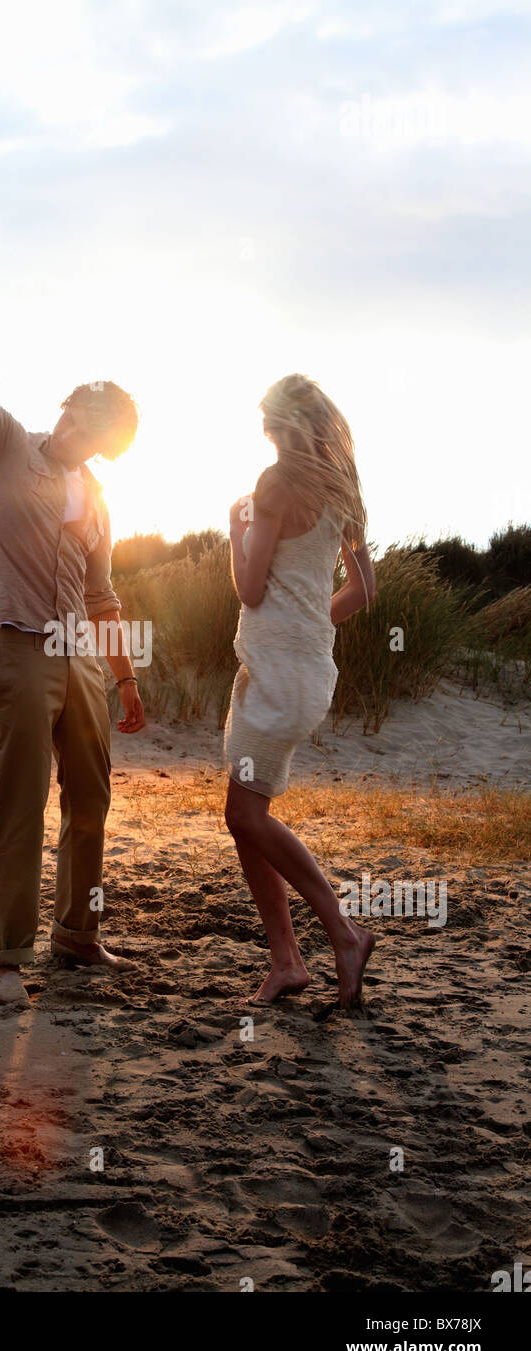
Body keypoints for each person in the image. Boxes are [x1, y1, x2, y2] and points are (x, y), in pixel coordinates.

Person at [0, 232, 145, 1006]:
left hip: (82, 656)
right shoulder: (9, 443)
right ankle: (5, 962)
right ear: (67, 409)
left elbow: (103, 595)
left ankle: (79, 937)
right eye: (87, 426)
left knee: (91, 801)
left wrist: (124, 678)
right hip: (18, 650)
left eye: (104, 443)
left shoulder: (99, 499)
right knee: (21, 803)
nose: (89, 444)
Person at [223, 374, 377, 1008]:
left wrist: (234, 532)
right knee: (246, 821)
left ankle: (342, 932)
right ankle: (286, 961)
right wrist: (312, 619)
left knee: (244, 814)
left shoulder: (275, 485)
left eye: (268, 422)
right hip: (309, 672)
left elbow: (250, 589)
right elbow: (365, 592)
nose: (266, 434)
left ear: (286, 424)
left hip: (276, 677)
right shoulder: (345, 491)